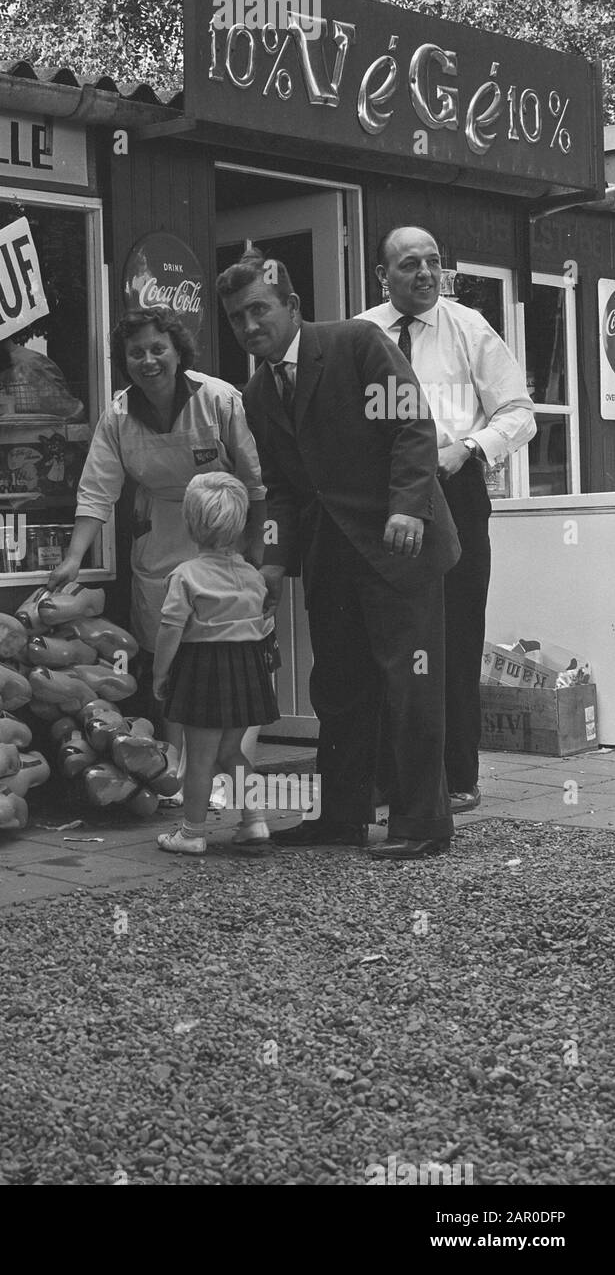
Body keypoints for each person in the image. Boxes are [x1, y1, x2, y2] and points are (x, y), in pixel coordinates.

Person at [217, 249, 461, 860]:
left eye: (259, 310)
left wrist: (407, 505)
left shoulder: (357, 343)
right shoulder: (258, 392)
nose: (249, 327)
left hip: (399, 547)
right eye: (236, 318)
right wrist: (270, 563)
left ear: (292, 306)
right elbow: (280, 489)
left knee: (410, 686)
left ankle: (422, 823)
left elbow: (412, 426)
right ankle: (341, 818)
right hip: (332, 561)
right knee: (339, 691)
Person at [47, 306, 267, 801]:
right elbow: (96, 491)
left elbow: (255, 482)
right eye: (136, 352)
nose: (148, 360)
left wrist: (254, 547)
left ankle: (229, 781)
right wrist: (74, 556)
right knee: (174, 656)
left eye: (157, 349)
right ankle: (182, 773)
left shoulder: (218, 399)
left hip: (223, 531)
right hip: (161, 539)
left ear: (177, 352)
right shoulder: (118, 416)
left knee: (233, 652)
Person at [357, 227, 536, 814]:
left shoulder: (468, 327)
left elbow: (518, 412)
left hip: (453, 488)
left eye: (434, 262)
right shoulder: (361, 334)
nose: (426, 274)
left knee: (455, 633)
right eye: (410, 265)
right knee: (388, 635)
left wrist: (471, 448)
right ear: (383, 274)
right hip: (383, 496)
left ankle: (458, 774)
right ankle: (390, 776)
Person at [153, 472, 279, 855]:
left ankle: (192, 833)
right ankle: (254, 822)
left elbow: (170, 629)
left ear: (189, 524)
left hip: (204, 670)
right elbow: (261, 624)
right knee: (231, 752)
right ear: (241, 526)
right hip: (247, 670)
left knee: (201, 759)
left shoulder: (185, 576)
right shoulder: (252, 576)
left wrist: (161, 674)